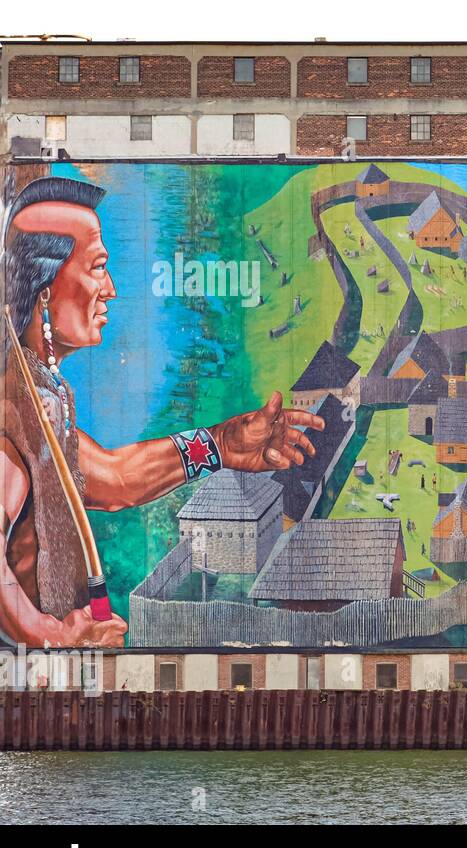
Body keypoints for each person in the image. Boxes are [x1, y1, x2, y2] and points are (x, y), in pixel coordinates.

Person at [1, 176, 326, 648]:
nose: (109, 290)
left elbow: (114, 479)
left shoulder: (41, 396)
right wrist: (52, 635)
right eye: (97, 268)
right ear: (46, 290)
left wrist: (222, 444)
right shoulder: (13, 404)